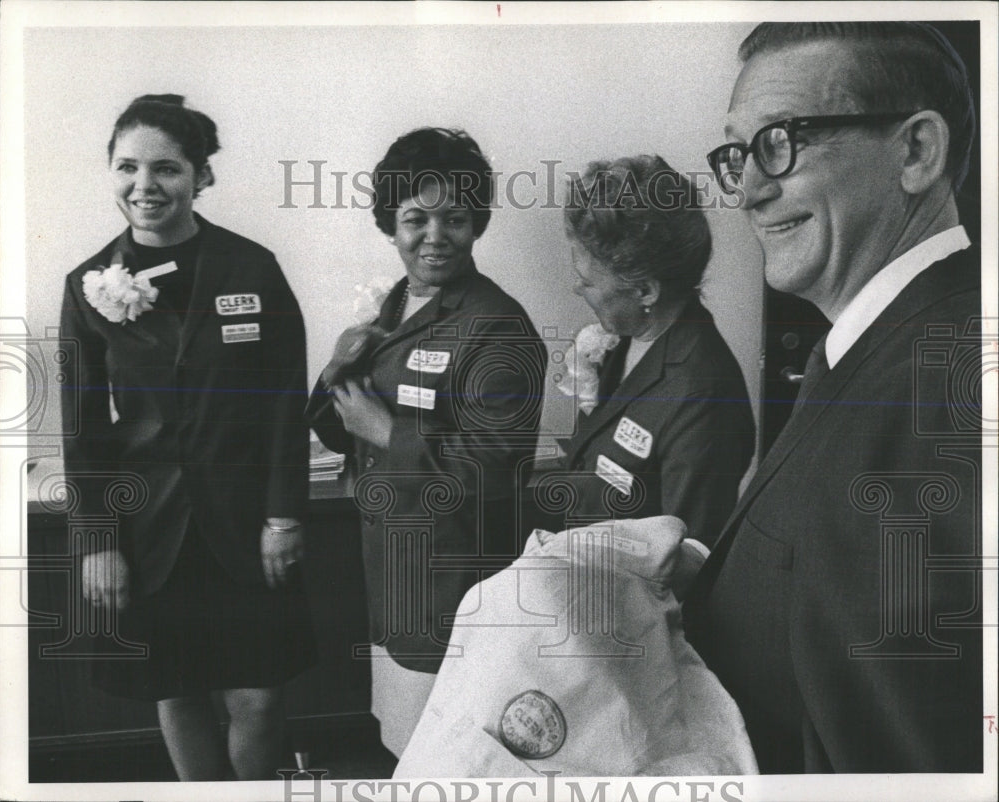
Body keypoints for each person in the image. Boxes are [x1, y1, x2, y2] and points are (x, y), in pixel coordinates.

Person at [683, 23, 982, 772]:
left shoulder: (951, 388)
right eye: (738, 153)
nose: (748, 189)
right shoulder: (871, 346)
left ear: (916, 151)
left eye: (782, 140)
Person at [60, 94, 315, 780]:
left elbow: (286, 403)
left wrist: (284, 514)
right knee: (178, 690)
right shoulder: (87, 286)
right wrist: (99, 542)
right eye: (128, 167)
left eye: (167, 169)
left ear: (201, 177)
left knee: (258, 698)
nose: (145, 186)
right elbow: (84, 433)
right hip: (150, 530)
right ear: (111, 172)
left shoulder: (252, 269)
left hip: (244, 524)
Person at [307, 127, 547, 757]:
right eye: (416, 217)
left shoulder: (499, 326)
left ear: (477, 224)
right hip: (389, 570)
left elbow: (497, 469)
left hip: (451, 580)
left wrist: (386, 432)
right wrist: (334, 369)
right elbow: (337, 418)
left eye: (454, 218)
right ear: (391, 222)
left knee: (448, 754)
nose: (434, 236)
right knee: (404, 742)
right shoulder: (394, 303)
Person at [552, 155, 755, 549]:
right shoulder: (628, 336)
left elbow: (685, 557)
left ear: (645, 291)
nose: (578, 291)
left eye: (587, 282)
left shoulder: (703, 393)